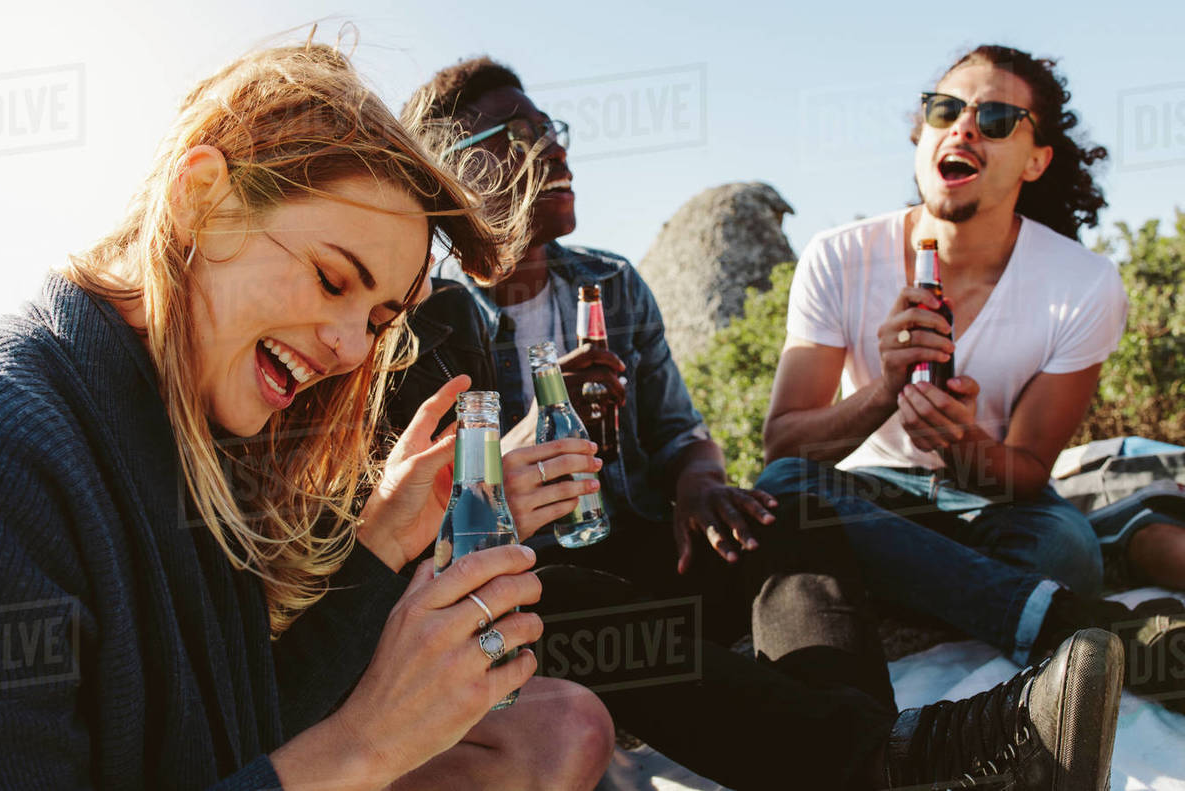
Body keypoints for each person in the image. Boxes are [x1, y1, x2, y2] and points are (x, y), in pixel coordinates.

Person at [389, 55, 1130, 791]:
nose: (554, 146)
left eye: (549, 126)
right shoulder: (425, 325)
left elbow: (680, 431)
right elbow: (426, 531)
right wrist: (528, 445)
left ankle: (871, 750)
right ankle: (890, 759)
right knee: (550, 596)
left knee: (788, 509)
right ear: (454, 174)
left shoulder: (608, 283)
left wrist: (702, 484)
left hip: (648, 557)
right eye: (518, 133)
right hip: (537, 578)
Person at [0, 40, 617, 790]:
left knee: (553, 733)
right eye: (331, 278)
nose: (352, 348)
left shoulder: (202, 420)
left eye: (381, 319)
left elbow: (245, 725)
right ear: (201, 200)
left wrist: (383, 539)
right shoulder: (13, 453)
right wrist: (365, 744)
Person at [761, 44, 1185, 706]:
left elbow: (1026, 469)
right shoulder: (839, 256)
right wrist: (883, 392)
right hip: (871, 493)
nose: (962, 126)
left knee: (1064, 545)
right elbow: (784, 445)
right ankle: (1066, 622)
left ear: (1037, 159)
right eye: (945, 108)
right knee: (784, 488)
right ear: (921, 133)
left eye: (993, 119)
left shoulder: (1082, 283)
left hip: (993, 502)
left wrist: (961, 442)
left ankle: (946, 583)